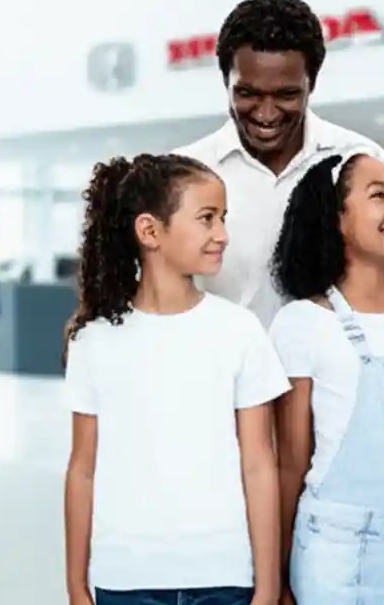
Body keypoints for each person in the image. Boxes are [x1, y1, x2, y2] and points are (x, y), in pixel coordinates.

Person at [62, 153, 288, 605]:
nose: (222, 235)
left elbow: (260, 464)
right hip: (125, 577)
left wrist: (267, 587)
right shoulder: (94, 341)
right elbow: (83, 469)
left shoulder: (240, 330)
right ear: (150, 231)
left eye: (223, 218)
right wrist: (75, 585)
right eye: (207, 219)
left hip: (224, 575)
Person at [269, 147, 384, 604]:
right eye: (378, 195)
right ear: (336, 219)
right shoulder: (303, 323)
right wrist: (276, 575)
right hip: (338, 556)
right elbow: (291, 461)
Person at [173, 0, 384, 328]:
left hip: (336, 377)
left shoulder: (361, 160)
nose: (266, 113)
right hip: (221, 378)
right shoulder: (181, 174)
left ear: (312, 84)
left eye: (287, 95)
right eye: (247, 93)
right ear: (225, 82)